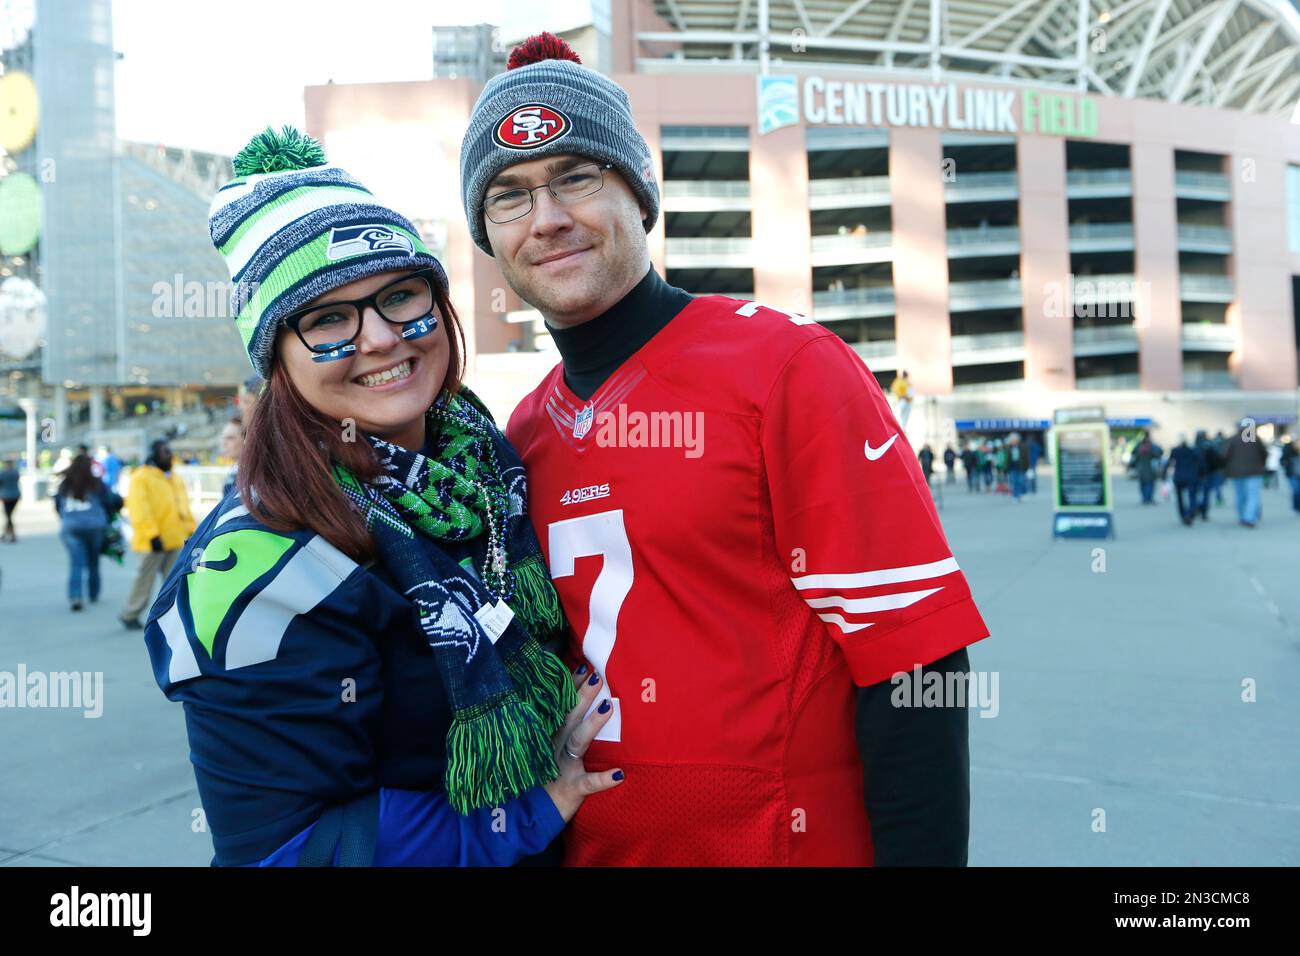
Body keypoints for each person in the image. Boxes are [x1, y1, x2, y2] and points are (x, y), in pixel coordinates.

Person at [464, 33, 989, 866]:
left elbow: (918, 664)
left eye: (576, 176)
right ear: (489, 237)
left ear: (639, 194)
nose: (548, 217)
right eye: (509, 196)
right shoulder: (521, 435)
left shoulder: (788, 369)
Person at [143, 127, 618, 868]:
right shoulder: (252, 573)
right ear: (276, 357)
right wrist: (522, 818)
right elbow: (286, 847)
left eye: (401, 296)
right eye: (328, 319)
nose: (381, 338)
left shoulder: (490, 468)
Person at [118, 439, 196, 628]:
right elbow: (138, 509)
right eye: (165, 452)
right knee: (144, 580)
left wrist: (192, 531)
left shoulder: (174, 478)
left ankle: (175, 615)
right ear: (154, 455)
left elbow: (183, 507)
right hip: (151, 542)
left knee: (176, 582)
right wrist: (152, 535)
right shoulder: (141, 477)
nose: (170, 455)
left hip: (175, 539)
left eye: (170, 451)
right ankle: (130, 613)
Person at [53, 451, 122, 611]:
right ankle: (93, 593)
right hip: (95, 526)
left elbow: (57, 504)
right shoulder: (97, 483)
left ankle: (75, 596)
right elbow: (110, 502)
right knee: (93, 562)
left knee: (76, 563)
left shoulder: (65, 484)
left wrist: (65, 517)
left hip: (71, 526)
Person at [1222, 418, 1267, 528]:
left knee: (1240, 495)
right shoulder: (1255, 439)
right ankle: (1249, 517)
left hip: (1236, 473)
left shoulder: (1232, 440)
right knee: (1252, 495)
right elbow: (1264, 454)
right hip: (1254, 471)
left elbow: (1224, 456)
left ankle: (1243, 517)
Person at [1162, 433, 1203, 526]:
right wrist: (1201, 475)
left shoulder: (1175, 450)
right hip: (1191, 476)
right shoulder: (1192, 450)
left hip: (1179, 476)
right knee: (1192, 496)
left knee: (1180, 498)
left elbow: (1168, 463)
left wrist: (1164, 474)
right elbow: (1200, 463)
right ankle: (1189, 514)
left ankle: (1183, 515)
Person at [1129, 430, 1163, 505]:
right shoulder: (1152, 445)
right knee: (1150, 484)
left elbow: (1133, 454)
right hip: (1150, 468)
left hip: (1140, 467)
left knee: (1143, 484)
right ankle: (1149, 498)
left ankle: (1145, 498)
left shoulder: (1139, 445)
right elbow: (1159, 453)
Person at [219, 416, 244, 499]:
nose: (224, 444)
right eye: (224, 438)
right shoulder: (235, 470)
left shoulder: (250, 477)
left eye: (230, 438)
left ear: (246, 439)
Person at [0, 458, 21, 543]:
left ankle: (12, 535)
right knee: (9, 515)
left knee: (8, 516)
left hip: (6, 496)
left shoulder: (3, 473)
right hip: (15, 495)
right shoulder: (15, 472)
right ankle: (4, 534)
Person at [1005, 432, 1028, 501]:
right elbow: (1007, 459)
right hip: (1012, 467)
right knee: (1014, 482)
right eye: (1012, 440)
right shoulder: (1009, 448)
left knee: (1021, 481)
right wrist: (1006, 468)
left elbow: (1026, 458)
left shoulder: (1023, 447)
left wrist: (1027, 467)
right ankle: (1015, 496)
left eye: (1014, 440)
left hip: (1021, 467)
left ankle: (1020, 494)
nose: (1013, 441)